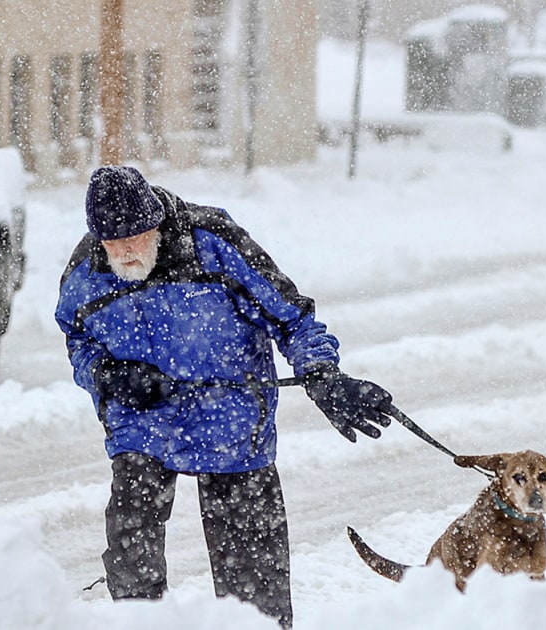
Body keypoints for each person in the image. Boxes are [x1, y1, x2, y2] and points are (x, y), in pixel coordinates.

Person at [55, 165, 399, 628]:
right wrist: (108, 374)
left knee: (252, 587)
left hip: (231, 425)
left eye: (135, 237)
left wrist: (322, 376)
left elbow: (290, 317)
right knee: (131, 545)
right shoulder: (85, 273)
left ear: (155, 221)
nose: (125, 251)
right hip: (144, 426)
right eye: (112, 242)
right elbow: (78, 339)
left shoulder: (213, 242)